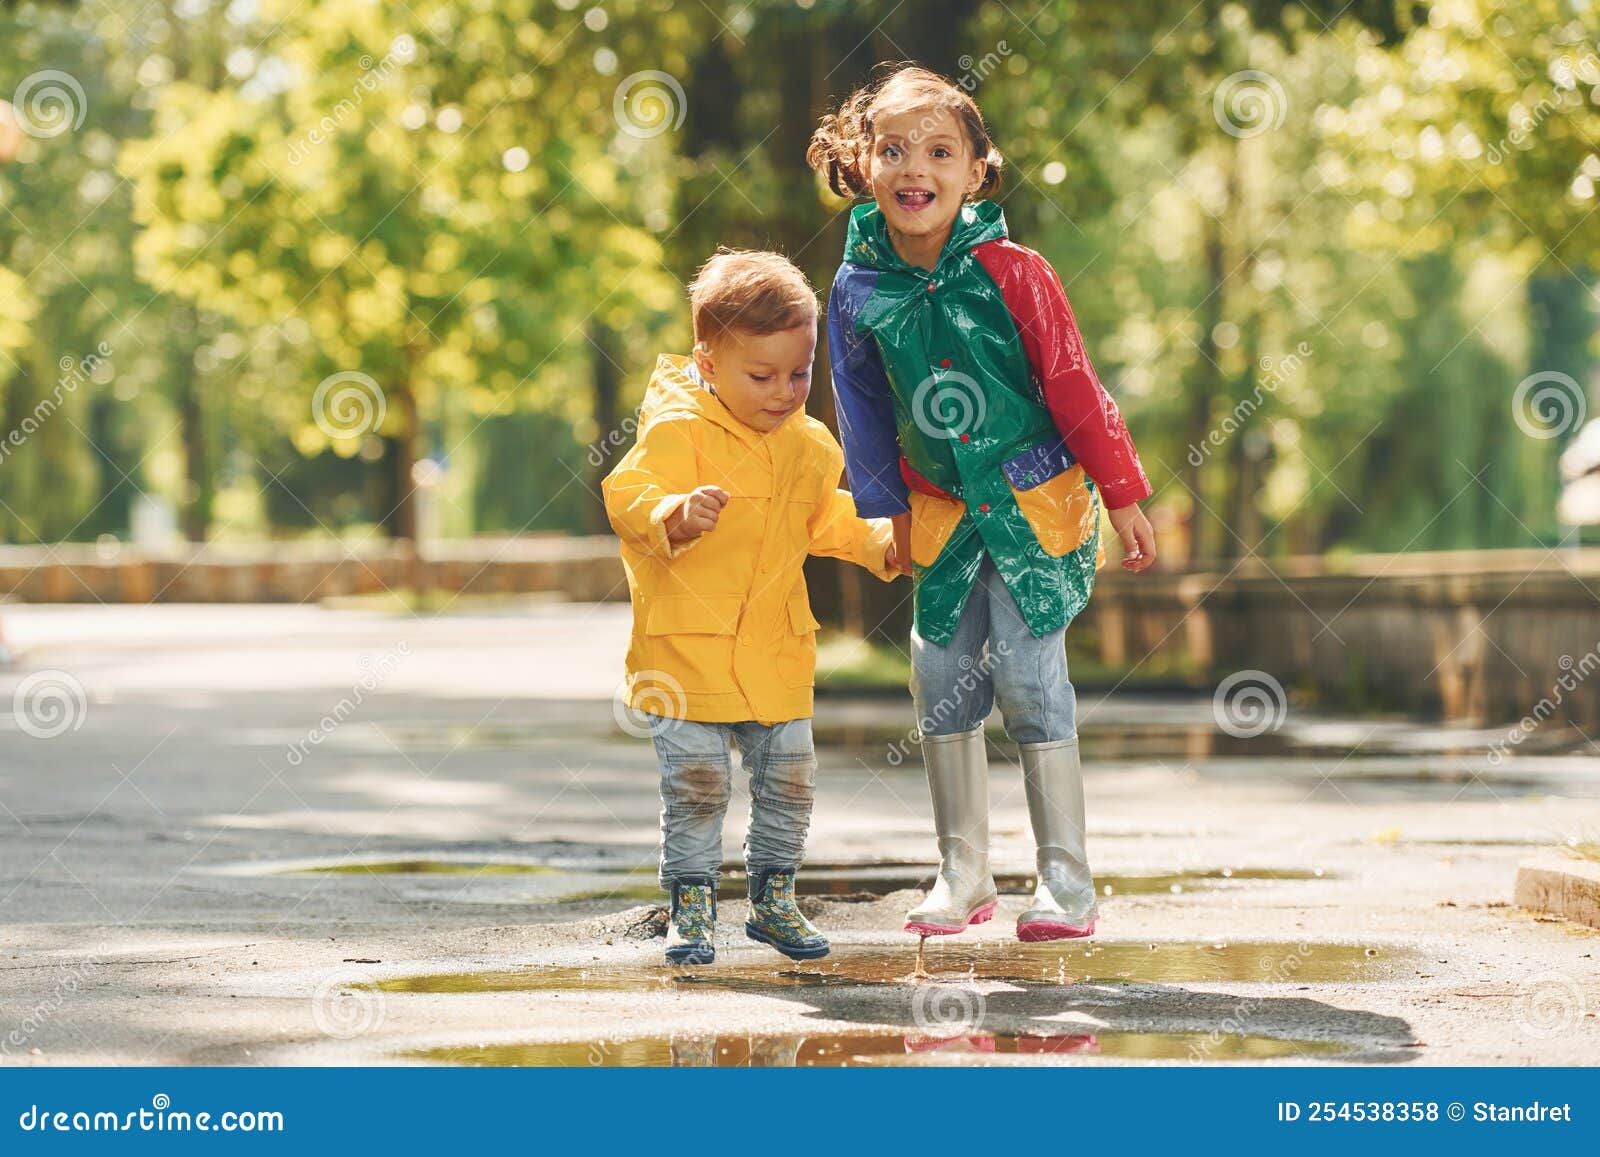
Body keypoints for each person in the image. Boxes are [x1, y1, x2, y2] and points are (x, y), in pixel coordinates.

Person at [807, 64, 1158, 942]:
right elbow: (864, 411)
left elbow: (1075, 386)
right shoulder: (855, 292)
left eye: (938, 150)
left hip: (1033, 507)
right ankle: (963, 871)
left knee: (1031, 676)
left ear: (974, 170)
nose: (912, 167)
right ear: (863, 164)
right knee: (937, 674)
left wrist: (1124, 494)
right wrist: (884, 511)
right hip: (939, 516)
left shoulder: (1016, 272)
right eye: (891, 149)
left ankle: (1066, 880)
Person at [603, 249, 900, 964]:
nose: (784, 391)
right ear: (708, 365)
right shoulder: (679, 429)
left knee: (790, 779)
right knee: (698, 785)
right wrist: (672, 513)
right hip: (687, 654)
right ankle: (692, 903)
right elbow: (626, 493)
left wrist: (882, 542)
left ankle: (774, 898)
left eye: (799, 373)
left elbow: (823, 518)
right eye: (761, 375)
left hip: (775, 650)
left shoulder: (808, 445)